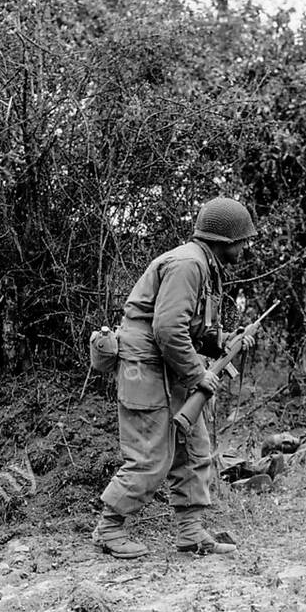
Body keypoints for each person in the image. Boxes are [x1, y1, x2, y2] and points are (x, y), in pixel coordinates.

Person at [93, 197, 257, 559]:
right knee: (150, 454)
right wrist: (199, 374)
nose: (245, 247)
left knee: (193, 447)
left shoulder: (204, 266)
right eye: (242, 240)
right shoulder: (188, 265)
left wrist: (226, 342)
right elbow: (167, 330)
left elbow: (191, 328)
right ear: (225, 239)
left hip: (169, 364)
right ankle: (109, 528)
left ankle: (190, 531)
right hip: (146, 365)